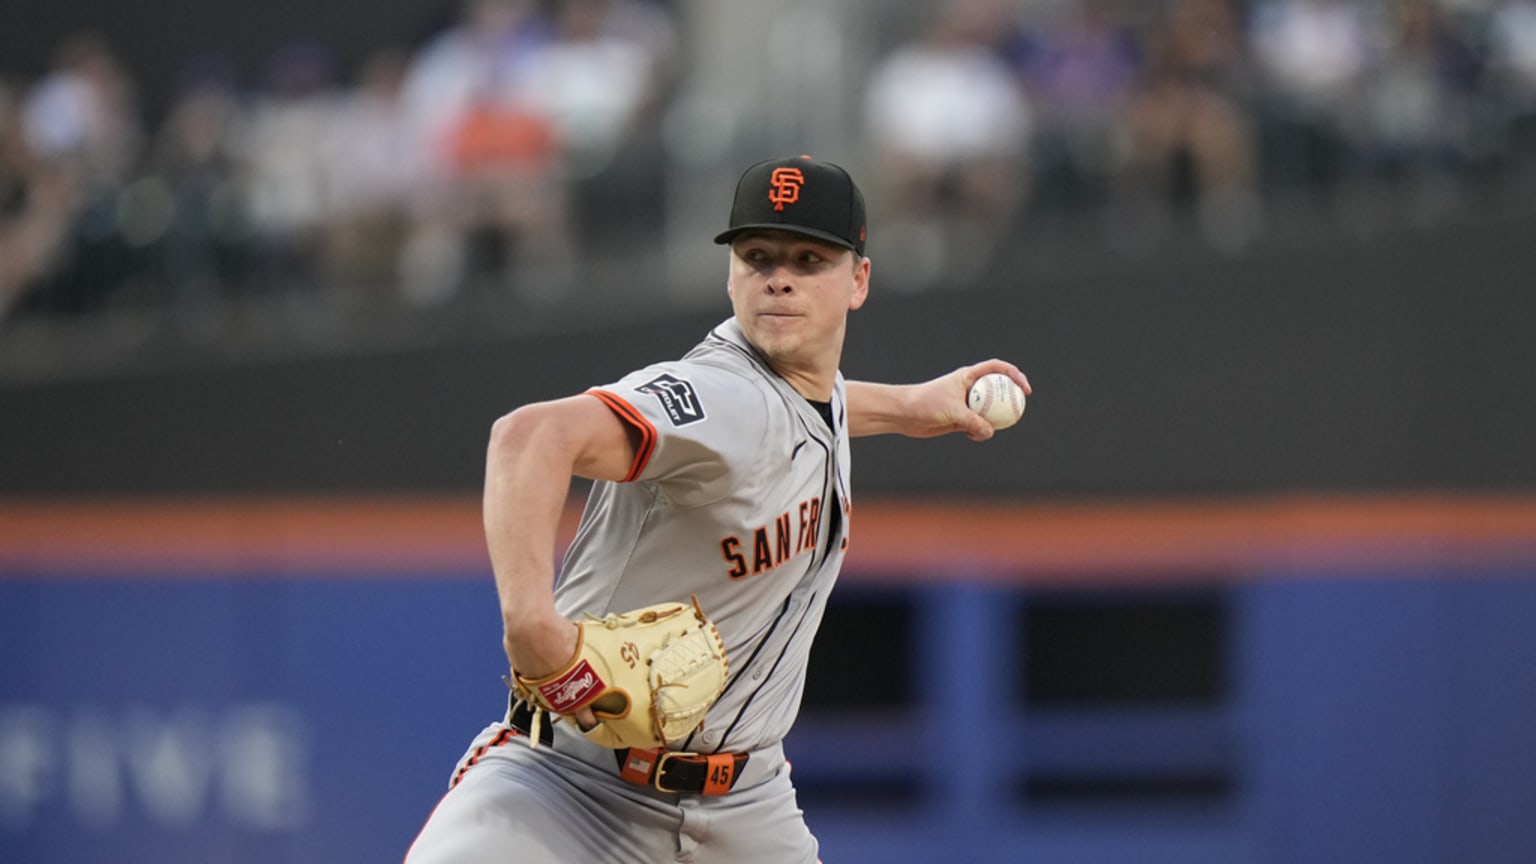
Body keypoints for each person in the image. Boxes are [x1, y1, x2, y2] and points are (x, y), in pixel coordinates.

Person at [404, 155, 1031, 864]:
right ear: (732, 275)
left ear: (858, 280)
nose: (779, 278)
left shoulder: (803, 392)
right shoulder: (719, 393)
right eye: (758, 257)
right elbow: (529, 435)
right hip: (571, 791)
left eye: (809, 260)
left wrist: (909, 405)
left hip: (748, 809)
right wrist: (529, 620)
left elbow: (803, 409)